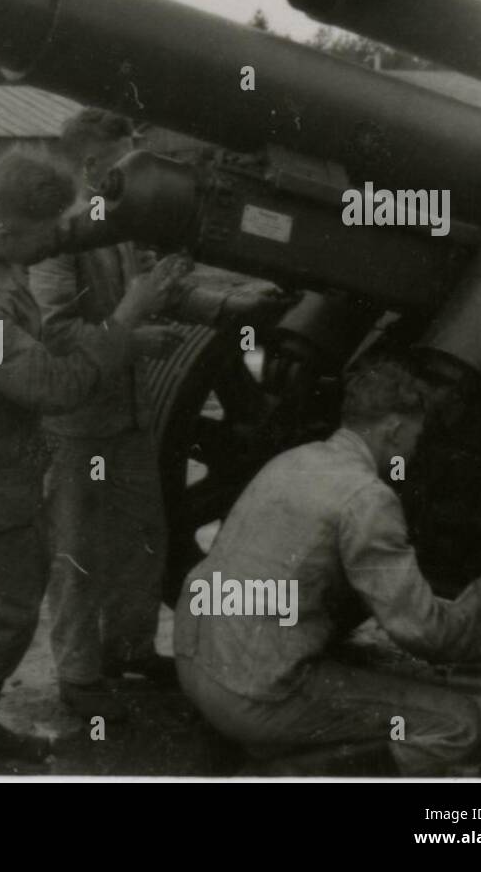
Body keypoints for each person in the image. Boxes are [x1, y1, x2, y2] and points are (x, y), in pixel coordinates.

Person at [0, 145, 192, 774]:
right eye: (46, 236)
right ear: (6, 226)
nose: (54, 247)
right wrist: (127, 318)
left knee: (2, 613)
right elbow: (52, 389)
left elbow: (39, 327)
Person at [31, 108, 292, 721]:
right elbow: (50, 328)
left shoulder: (113, 221)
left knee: (143, 538)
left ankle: (130, 649)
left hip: (128, 417)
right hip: (77, 422)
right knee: (77, 548)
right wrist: (130, 337)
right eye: (121, 160)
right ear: (93, 163)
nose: (131, 173)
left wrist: (234, 304)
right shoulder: (59, 237)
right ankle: (77, 672)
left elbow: (162, 291)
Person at [173, 357, 481, 775]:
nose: (414, 451)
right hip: (252, 696)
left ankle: (268, 747)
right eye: (415, 437)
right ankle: (289, 775)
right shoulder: (368, 498)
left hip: (194, 664)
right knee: (460, 723)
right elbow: (430, 637)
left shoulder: (294, 459)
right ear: (395, 429)